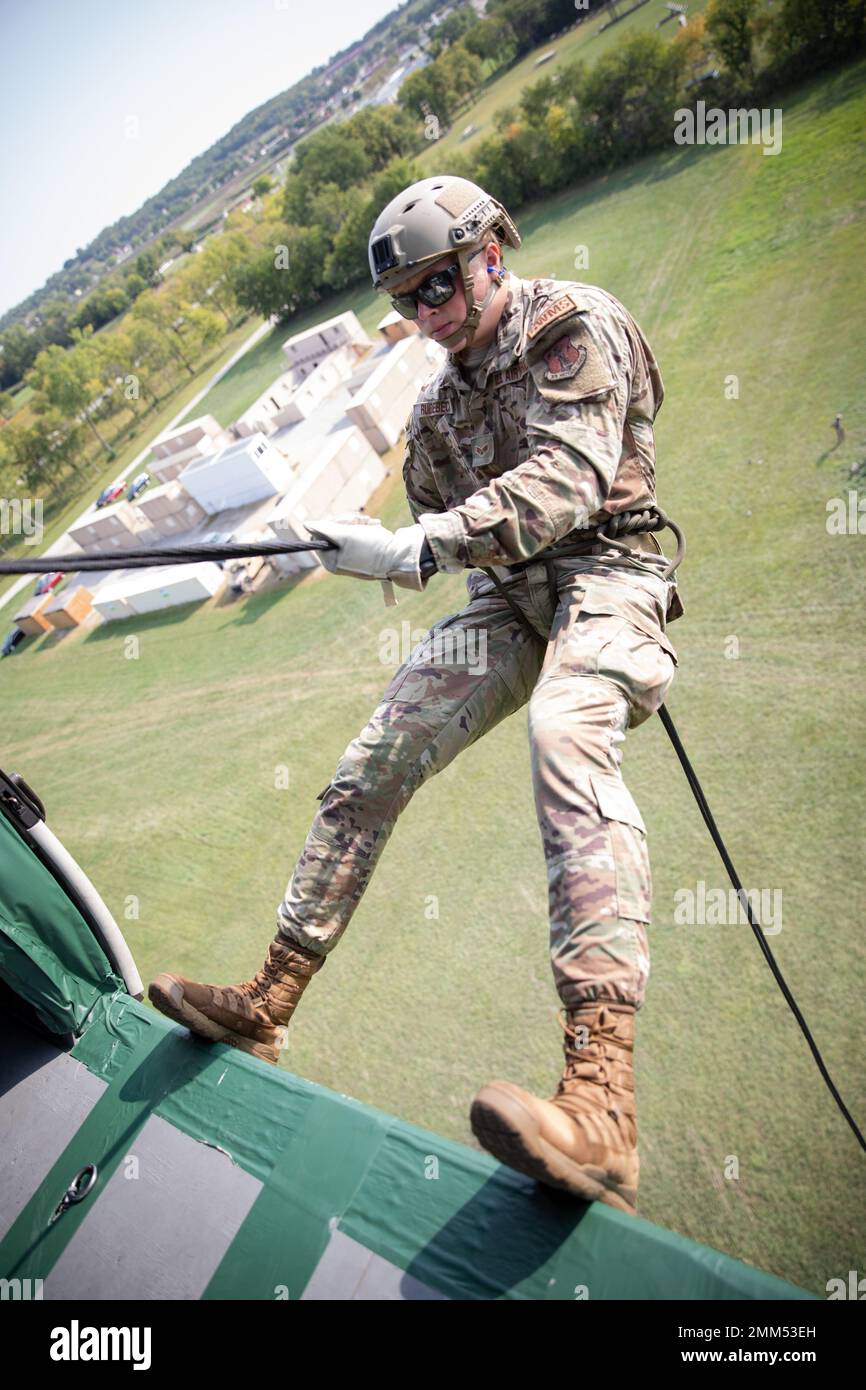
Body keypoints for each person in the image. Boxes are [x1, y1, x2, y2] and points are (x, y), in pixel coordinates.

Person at [149, 175, 682, 1216]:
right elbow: (445, 513)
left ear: (491, 251)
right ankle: (270, 999)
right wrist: (393, 543)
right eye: (407, 301)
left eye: (440, 283)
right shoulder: (435, 403)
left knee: (565, 729)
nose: (428, 313)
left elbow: (567, 483)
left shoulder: (571, 328)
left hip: (610, 573)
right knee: (373, 758)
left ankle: (603, 1107)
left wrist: (413, 546)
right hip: (509, 594)